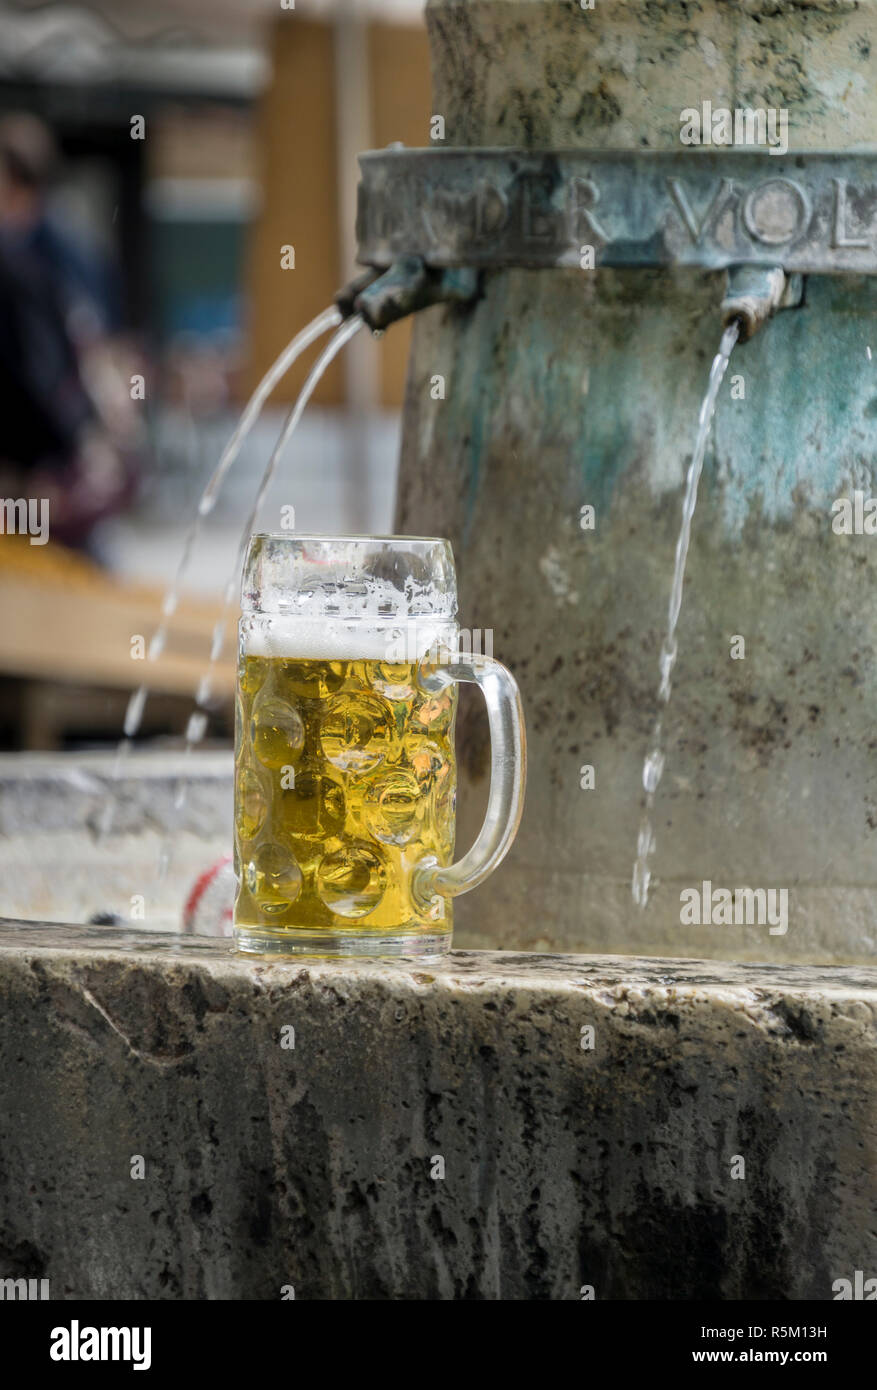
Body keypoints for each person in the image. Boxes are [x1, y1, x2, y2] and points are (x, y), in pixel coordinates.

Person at [0, 113, 137, 552]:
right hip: (64, 449)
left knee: (59, 559)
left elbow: (76, 353)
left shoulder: (41, 255)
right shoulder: (69, 245)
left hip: (51, 457)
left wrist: (74, 437)